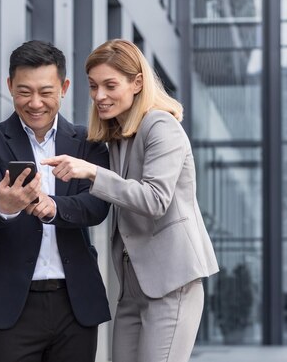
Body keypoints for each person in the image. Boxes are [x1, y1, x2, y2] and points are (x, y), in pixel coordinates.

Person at [42, 39, 219, 362]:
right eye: (94, 86)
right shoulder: (119, 134)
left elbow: (155, 199)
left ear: (137, 82)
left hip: (171, 282)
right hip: (132, 286)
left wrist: (93, 173)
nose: (99, 96)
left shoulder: (161, 126)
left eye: (110, 85)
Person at [0, 40, 111, 362]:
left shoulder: (89, 143)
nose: (35, 103)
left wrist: (54, 207)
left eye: (45, 92)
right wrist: (6, 204)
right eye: (24, 91)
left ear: (64, 88)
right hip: (10, 305)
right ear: (9, 86)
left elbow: (97, 206)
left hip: (75, 304)